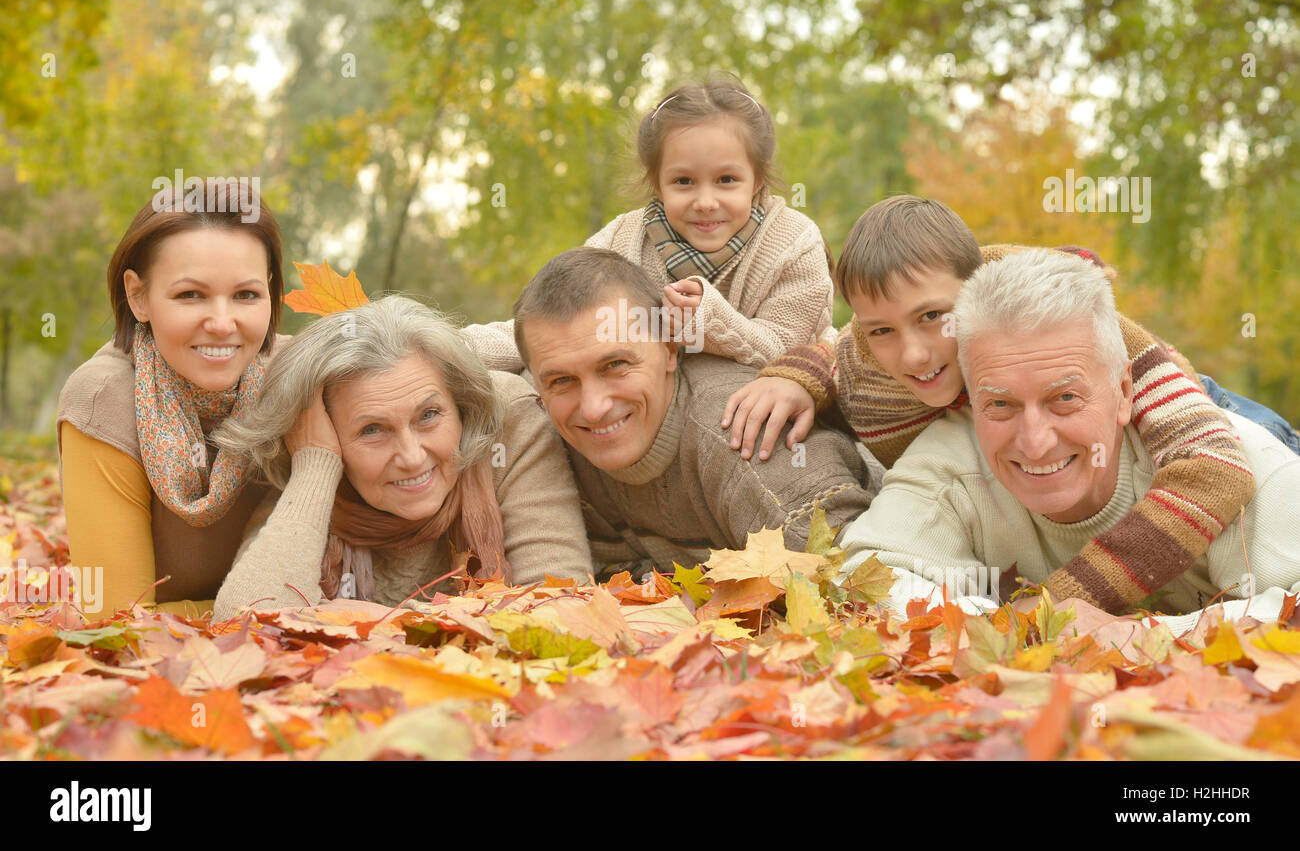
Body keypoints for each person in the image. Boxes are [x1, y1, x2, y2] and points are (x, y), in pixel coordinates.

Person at [723, 195, 1262, 614]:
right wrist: (798, 377)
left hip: (1199, 406)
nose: (914, 352)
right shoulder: (864, 362)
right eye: (884, 329)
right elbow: (840, 348)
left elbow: (1214, 470)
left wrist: (1064, 604)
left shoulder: (1081, 340)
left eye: (936, 317)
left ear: (976, 291)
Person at [836, 248, 1300, 620]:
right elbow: (867, 573)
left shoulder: (1246, 463)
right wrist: (1013, 628)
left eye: (1065, 400)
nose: (1035, 442)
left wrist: (1144, 639)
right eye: (1000, 405)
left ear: (1124, 390)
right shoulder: (950, 455)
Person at [210, 296, 592, 619]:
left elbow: (563, 608)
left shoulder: (508, 426)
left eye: (429, 415)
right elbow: (245, 622)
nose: (411, 457)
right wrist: (315, 466)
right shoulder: (319, 473)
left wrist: (365, 622)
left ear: (461, 406)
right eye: (372, 430)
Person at [510, 247, 873, 580]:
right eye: (561, 380)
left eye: (615, 365)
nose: (593, 407)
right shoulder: (540, 441)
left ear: (670, 348)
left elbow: (865, 579)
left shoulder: (741, 433)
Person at [464, 74, 835, 371]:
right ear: (656, 182)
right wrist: (449, 348)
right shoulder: (621, 241)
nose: (705, 202)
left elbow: (786, 352)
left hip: (767, 414)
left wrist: (709, 321)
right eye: (683, 182)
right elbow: (558, 323)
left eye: (726, 180)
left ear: (758, 178)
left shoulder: (794, 242)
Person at [56, 179, 287, 616]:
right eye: (190, 295)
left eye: (246, 294)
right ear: (138, 297)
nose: (222, 323)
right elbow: (116, 623)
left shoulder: (302, 379)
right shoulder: (101, 401)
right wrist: (271, 610)